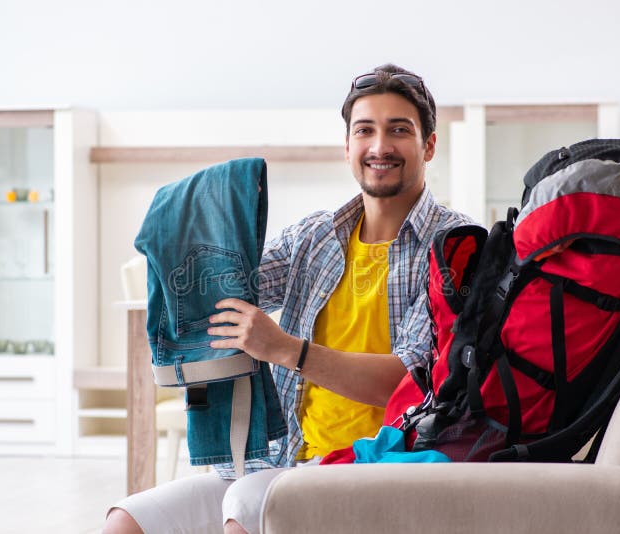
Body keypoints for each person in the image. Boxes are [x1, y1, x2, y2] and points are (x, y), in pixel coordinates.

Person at [104, 63, 473, 534]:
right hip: (280, 458)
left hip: (375, 463)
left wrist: (283, 349)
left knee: (244, 506)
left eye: (399, 130)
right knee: (126, 519)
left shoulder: (454, 245)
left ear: (429, 144)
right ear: (347, 147)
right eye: (365, 130)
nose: (380, 146)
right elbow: (232, 285)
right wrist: (184, 230)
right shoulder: (316, 235)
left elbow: (407, 384)